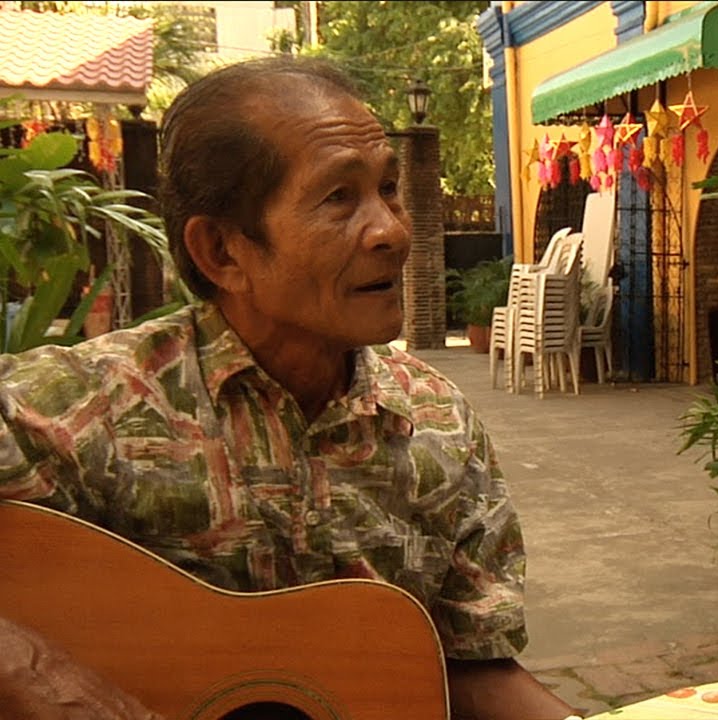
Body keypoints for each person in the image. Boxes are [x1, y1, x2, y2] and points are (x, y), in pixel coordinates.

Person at [0, 57, 577, 720]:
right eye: (339, 197)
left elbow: (474, 669)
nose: (392, 228)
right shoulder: (90, 403)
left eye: (388, 188)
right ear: (222, 251)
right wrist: (30, 669)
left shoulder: (437, 422)